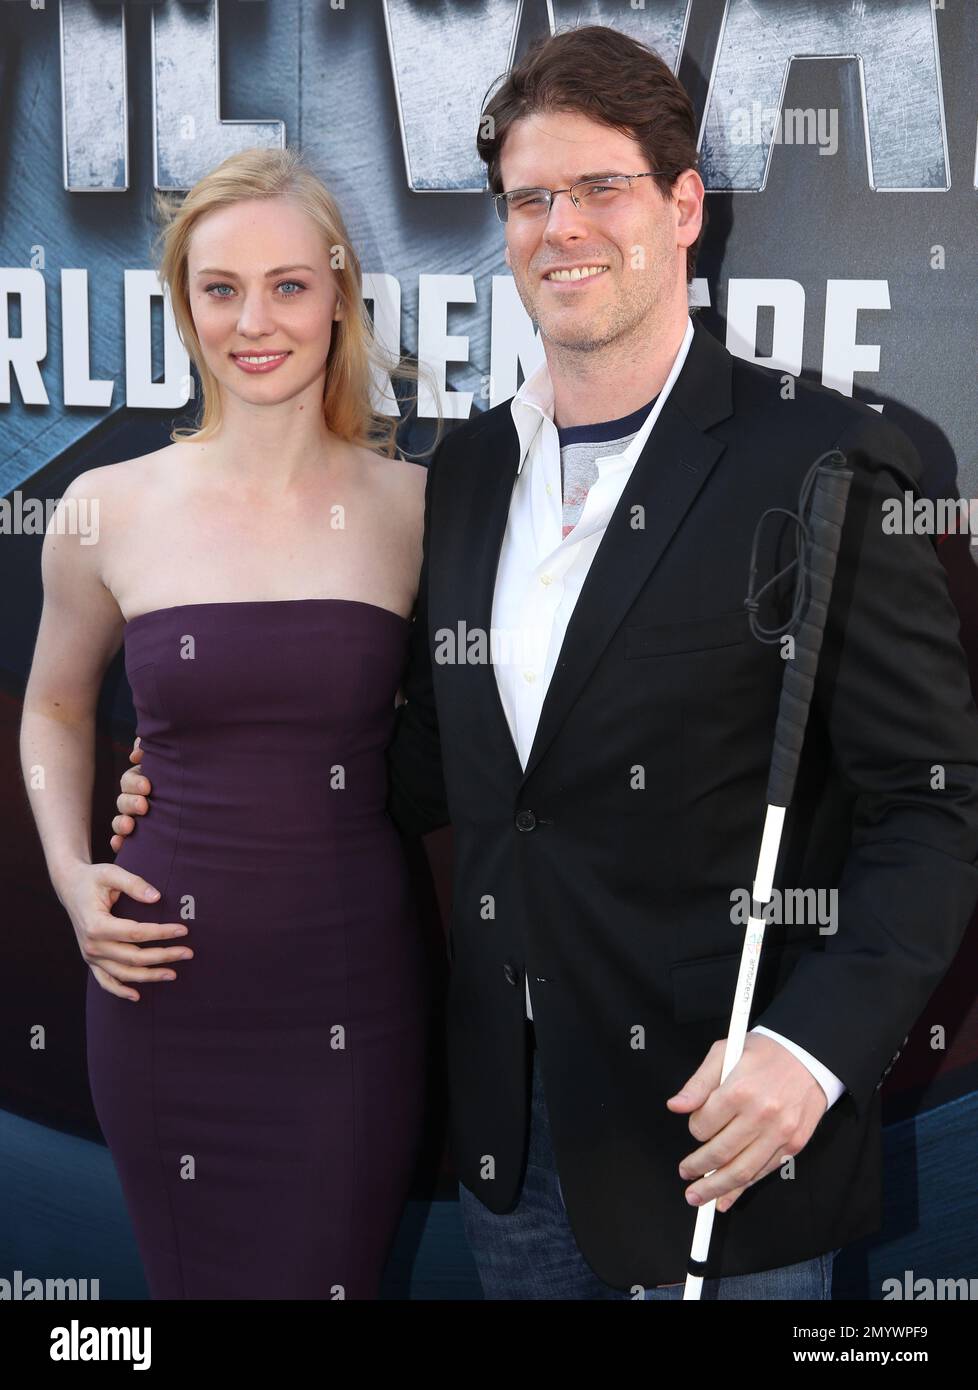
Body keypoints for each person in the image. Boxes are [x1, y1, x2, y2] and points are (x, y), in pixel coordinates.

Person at [113, 26, 978, 1301]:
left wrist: (812, 1052)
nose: (562, 226)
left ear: (684, 206)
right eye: (531, 199)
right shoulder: (463, 475)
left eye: (601, 188)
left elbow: (935, 810)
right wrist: (208, 774)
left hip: (722, 1145)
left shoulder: (827, 464)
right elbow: (432, 765)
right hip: (508, 1154)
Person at [20, 146, 440, 1300]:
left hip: (347, 1000)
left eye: (289, 285)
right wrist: (72, 874)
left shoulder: (415, 509)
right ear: (183, 304)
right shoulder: (106, 506)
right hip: (165, 992)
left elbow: (465, 741)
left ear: (340, 295)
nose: (255, 320)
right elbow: (54, 705)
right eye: (221, 289)